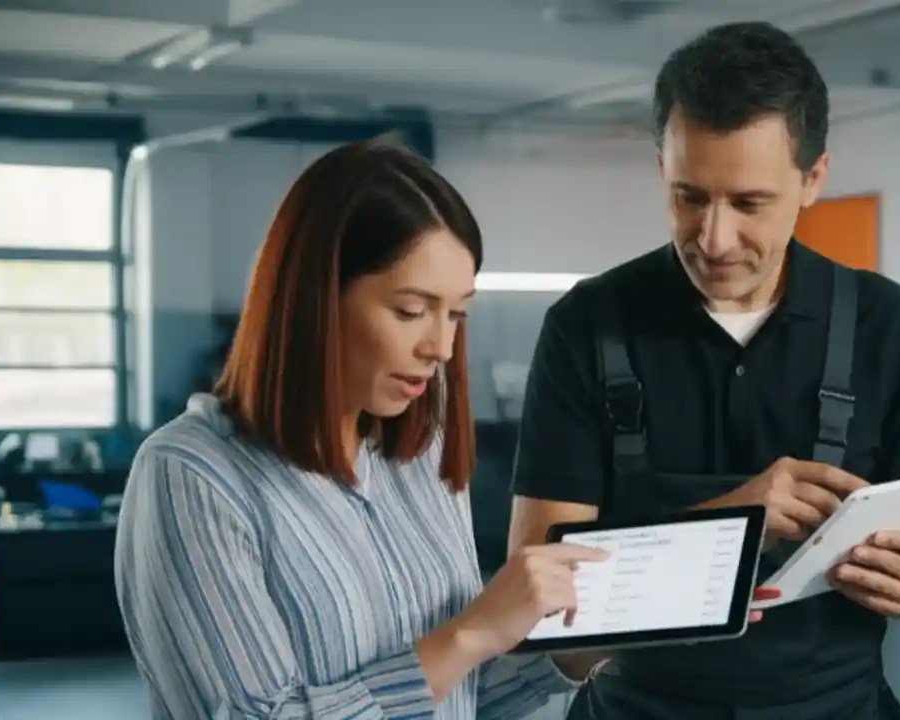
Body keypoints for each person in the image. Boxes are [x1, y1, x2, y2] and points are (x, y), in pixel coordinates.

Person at [508, 21, 900, 720]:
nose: (714, 238)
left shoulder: (885, 324)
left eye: (750, 203)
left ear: (813, 179)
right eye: (690, 196)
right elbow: (537, 590)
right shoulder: (587, 325)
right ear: (662, 166)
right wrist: (737, 518)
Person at [113, 138, 610, 720]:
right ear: (315, 298)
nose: (441, 348)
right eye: (409, 311)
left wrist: (577, 650)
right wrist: (470, 634)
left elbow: (455, 699)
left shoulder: (419, 457)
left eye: (456, 314)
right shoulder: (192, 475)